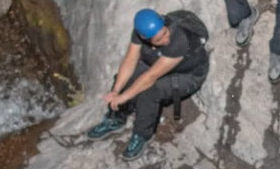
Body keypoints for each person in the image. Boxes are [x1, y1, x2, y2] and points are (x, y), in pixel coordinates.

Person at [86, 8, 209, 161]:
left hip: (187, 74)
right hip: (158, 61)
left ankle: (141, 135)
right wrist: (116, 91)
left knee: (151, 91)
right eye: (159, 40)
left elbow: (150, 77)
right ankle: (116, 118)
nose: (165, 39)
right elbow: (130, 61)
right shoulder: (139, 33)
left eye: (165, 32)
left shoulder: (178, 39)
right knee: (125, 78)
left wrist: (124, 97)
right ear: (145, 38)